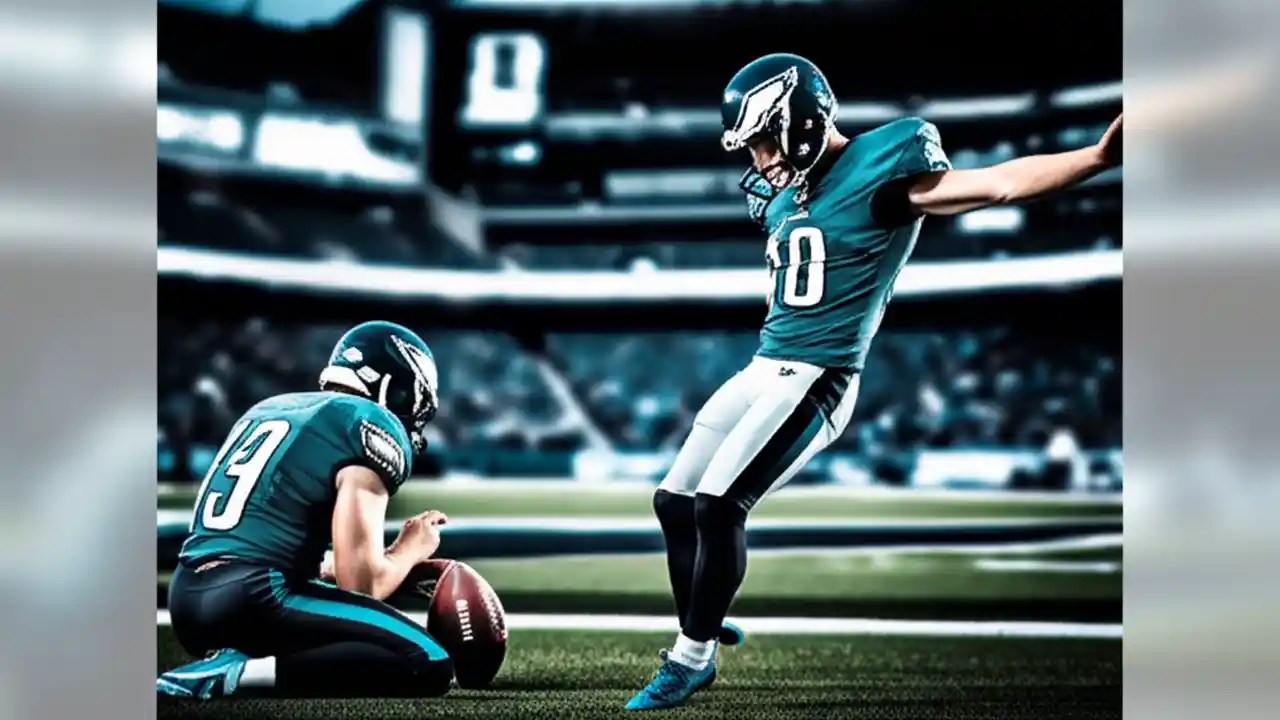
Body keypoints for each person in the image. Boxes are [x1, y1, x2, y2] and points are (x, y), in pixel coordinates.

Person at [626, 53, 1123, 711]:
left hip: (819, 375)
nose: (761, 158)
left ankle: (692, 659)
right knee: (673, 501)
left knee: (719, 505)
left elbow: (998, 184)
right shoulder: (781, 194)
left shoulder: (883, 175)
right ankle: (706, 614)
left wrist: (1094, 156)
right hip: (763, 365)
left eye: (767, 138)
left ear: (801, 120)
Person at [157, 320, 455, 700]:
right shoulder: (367, 421)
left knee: (338, 636)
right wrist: (409, 548)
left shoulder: (269, 408)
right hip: (254, 596)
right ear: (394, 387)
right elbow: (362, 587)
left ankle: (236, 664)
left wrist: (324, 567)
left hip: (188, 598)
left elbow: (259, 528)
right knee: (428, 659)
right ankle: (233, 674)